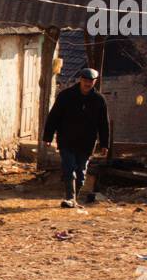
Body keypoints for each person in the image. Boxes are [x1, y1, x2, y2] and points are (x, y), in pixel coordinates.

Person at [42, 67, 110, 208]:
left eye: (91, 81)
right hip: (67, 139)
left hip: (86, 142)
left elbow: (103, 123)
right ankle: (69, 198)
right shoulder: (66, 96)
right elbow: (54, 117)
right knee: (69, 168)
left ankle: (74, 198)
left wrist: (104, 144)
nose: (87, 83)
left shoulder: (99, 100)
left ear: (95, 82)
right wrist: (48, 136)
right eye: (85, 80)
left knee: (81, 172)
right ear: (80, 80)